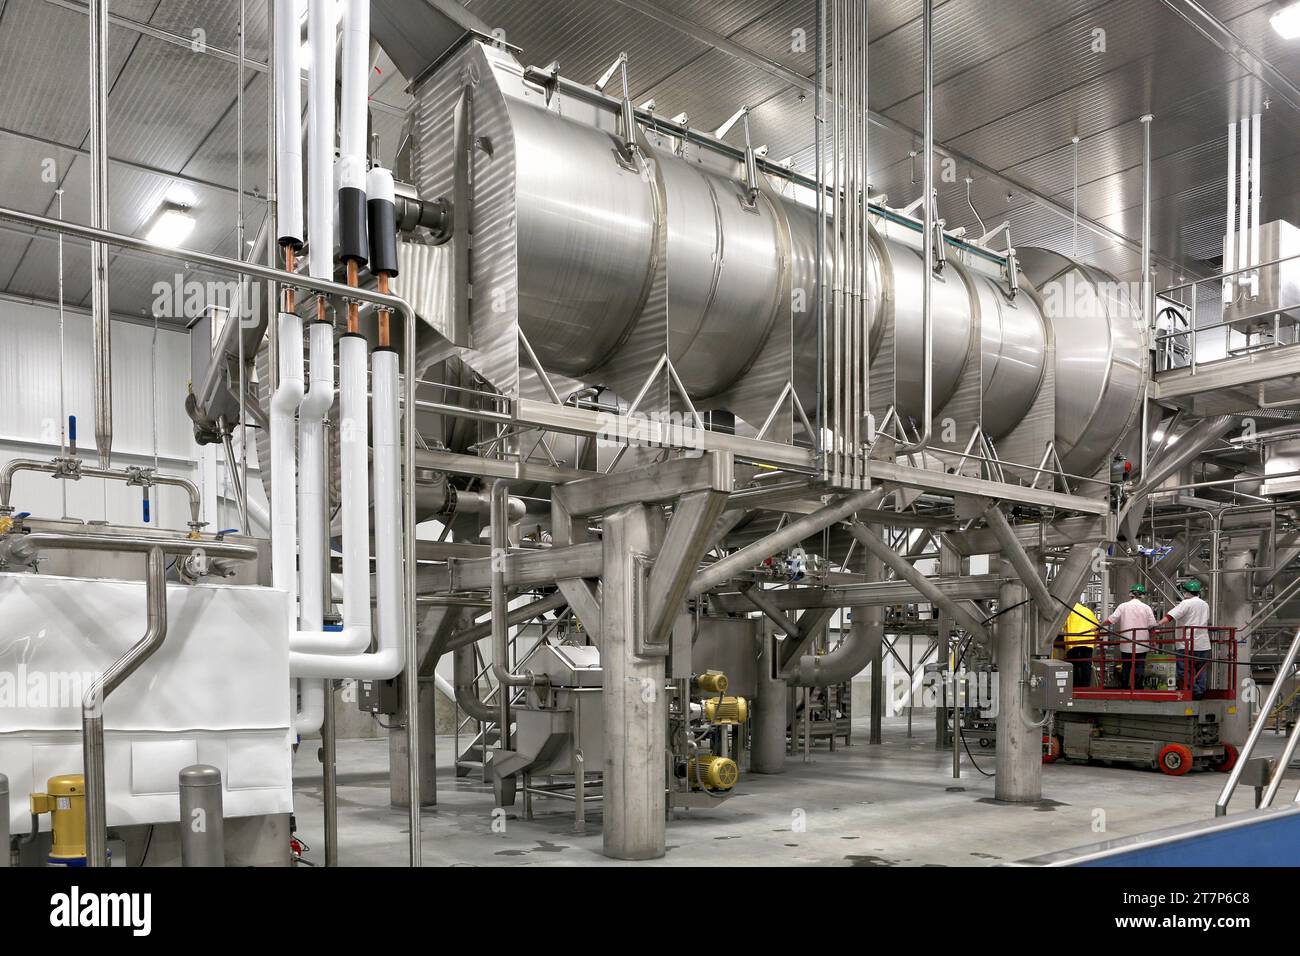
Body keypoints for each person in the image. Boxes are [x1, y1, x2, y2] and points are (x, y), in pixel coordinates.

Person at [1160, 579, 1211, 699]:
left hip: (1186, 644)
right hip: (1203, 644)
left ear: (1186, 592)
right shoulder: (1205, 604)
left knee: (1183, 670)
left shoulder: (1185, 603)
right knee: (1200, 671)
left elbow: (1170, 616)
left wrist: (1157, 624)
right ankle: (1200, 692)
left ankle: (1195, 691)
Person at [1101, 583, 1157, 690]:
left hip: (1126, 643)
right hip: (1142, 643)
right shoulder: (1146, 608)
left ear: (1131, 594)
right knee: (1139, 666)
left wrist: (1099, 626)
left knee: (1126, 666)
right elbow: (1152, 626)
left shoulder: (1123, 606)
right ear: (1142, 595)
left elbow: (1111, 620)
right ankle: (1138, 688)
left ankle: (1124, 688)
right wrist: (1153, 640)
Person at [1062, 601, 1101, 689]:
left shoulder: (1068, 610)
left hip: (1073, 642)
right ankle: (1085, 686)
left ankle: (1075, 686)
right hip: (1088, 642)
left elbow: (1061, 625)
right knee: (1086, 665)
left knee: (1074, 665)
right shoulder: (1087, 611)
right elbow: (1097, 626)